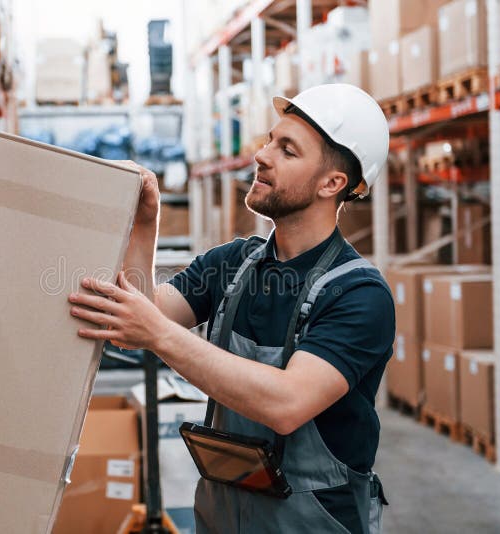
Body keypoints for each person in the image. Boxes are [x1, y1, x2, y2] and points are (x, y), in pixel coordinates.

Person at [68, 83, 395, 534]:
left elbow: (287, 402)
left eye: (288, 150)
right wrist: (144, 222)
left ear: (332, 183)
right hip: (223, 513)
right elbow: (142, 314)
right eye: (269, 140)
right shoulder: (233, 262)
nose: (262, 155)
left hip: (310, 522)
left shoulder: (358, 294)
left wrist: (158, 336)